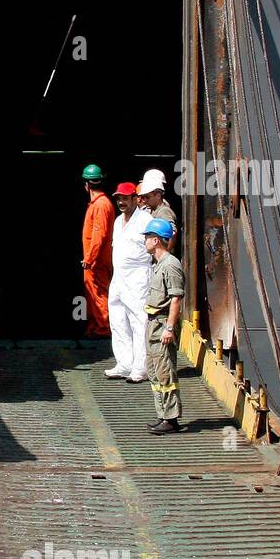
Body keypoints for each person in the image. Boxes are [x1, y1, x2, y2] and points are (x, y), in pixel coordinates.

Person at [142, 218, 184, 435]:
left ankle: (171, 418)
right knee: (155, 372)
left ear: (156, 239)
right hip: (153, 323)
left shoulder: (170, 265)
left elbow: (176, 299)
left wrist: (169, 328)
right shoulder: (159, 265)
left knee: (165, 372)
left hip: (162, 324)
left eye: (147, 237)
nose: (145, 241)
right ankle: (163, 415)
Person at [105, 182, 150, 383]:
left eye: (125, 198)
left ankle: (140, 368)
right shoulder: (117, 221)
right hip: (119, 276)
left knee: (139, 321)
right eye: (119, 198)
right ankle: (124, 363)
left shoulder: (145, 220)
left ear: (135, 199)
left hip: (138, 276)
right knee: (117, 319)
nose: (121, 202)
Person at [79, 163, 114, 339]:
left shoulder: (100, 205)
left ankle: (103, 328)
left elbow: (98, 235)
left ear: (87, 184)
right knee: (93, 294)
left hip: (96, 260)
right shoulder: (98, 203)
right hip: (95, 260)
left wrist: (90, 258)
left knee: (99, 294)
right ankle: (94, 327)